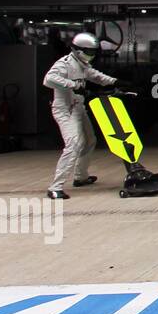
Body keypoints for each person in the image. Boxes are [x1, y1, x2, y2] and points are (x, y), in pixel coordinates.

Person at [44, 32, 117, 200]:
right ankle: (55, 187)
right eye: (89, 52)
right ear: (78, 50)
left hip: (78, 108)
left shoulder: (82, 64)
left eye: (93, 52)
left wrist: (115, 82)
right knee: (74, 144)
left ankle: (81, 176)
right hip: (65, 109)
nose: (92, 55)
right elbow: (49, 79)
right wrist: (73, 85)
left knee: (90, 140)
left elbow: (95, 76)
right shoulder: (64, 64)